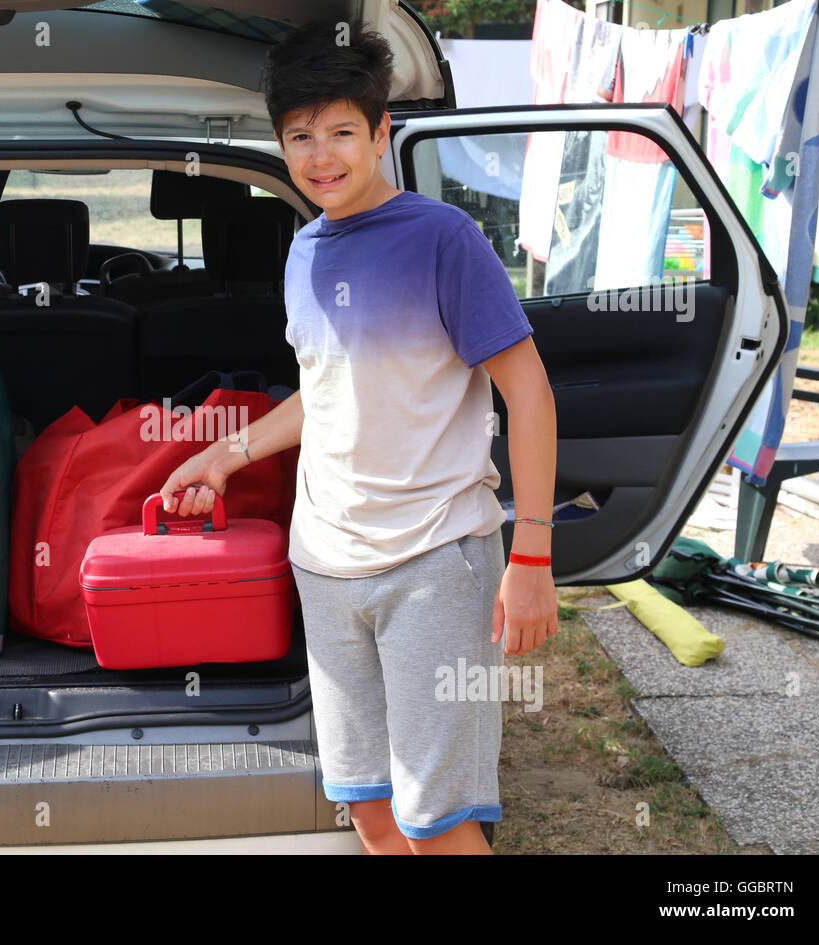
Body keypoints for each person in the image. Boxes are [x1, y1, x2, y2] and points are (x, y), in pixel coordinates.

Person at [158, 20, 560, 855]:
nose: (320, 155)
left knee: (438, 819)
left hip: (434, 559)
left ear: (382, 132)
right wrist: (228, 453)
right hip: (325, 564)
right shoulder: (302, 251)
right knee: (368, 806)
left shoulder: (443, 240)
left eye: (342, 131)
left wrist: (532, 558)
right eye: (300, 136)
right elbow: (328, 389)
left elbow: (529, 391)